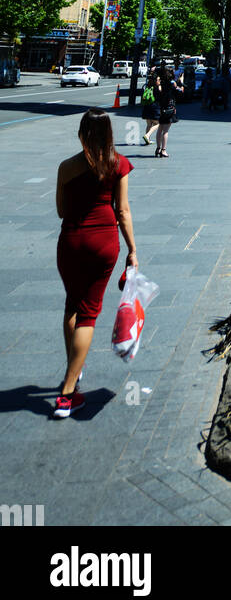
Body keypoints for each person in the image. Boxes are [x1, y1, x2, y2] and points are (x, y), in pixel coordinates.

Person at [54, 109, 137, 418]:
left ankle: (75, 368)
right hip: (103, 243)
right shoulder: (118, 164)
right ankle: (67, 394)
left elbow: (61, 210)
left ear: (81, 134)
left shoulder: (66, 167)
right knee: (89, 313)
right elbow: (123, 211)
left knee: (72, 307)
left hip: (71, 241)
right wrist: (133, 250)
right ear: (109, 134)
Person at [153, 65, 182, 158]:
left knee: (160, 128)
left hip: (161, 107)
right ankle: (163, 150)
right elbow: (179, 92)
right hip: (169, 108)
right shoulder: (171, 84)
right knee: (165, 131)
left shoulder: (159, 84)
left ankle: (158, 148)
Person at [140, 71, 160, 145]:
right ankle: (147, 135)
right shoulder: (157, 88)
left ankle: (147, 140)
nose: (159, 81)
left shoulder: (148, 86)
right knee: (158, 124)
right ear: (155, 81)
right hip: (154, 107)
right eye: (158, 80)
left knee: (149, 124)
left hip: (146, 106)